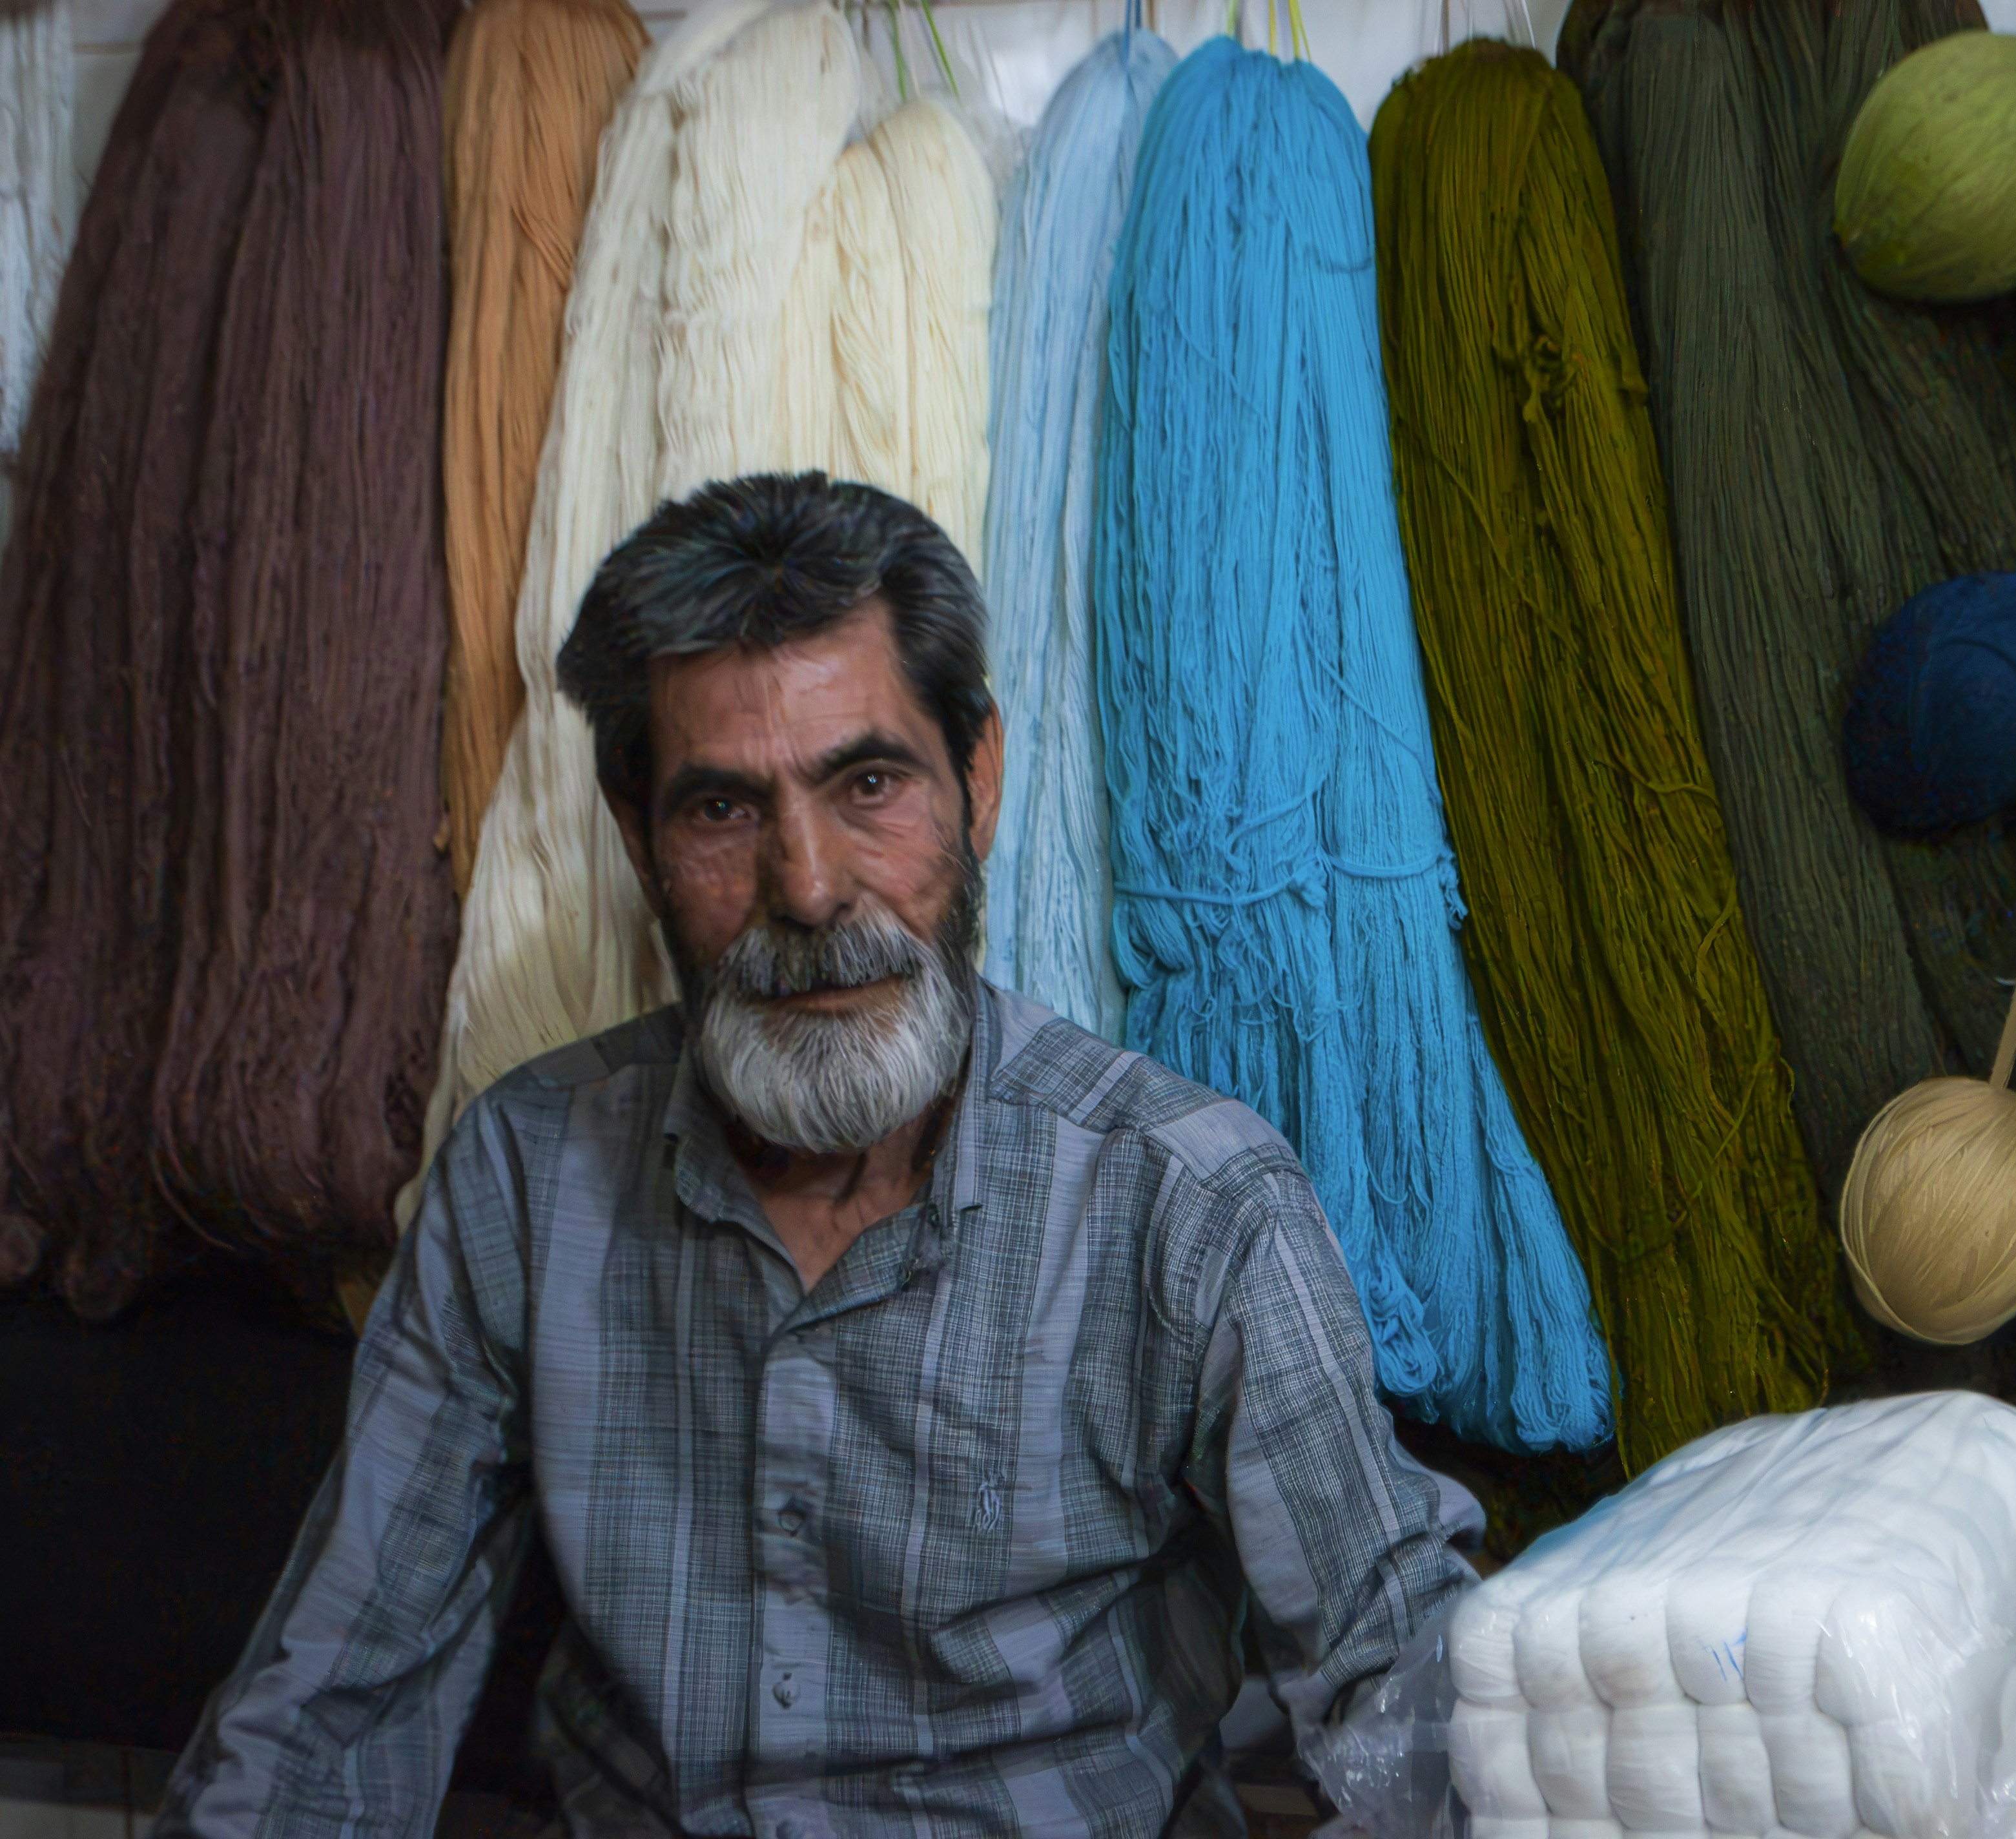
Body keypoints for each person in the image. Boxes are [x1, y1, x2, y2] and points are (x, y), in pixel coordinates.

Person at [154, 474, 1483, 1839]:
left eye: (867, 784)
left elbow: (1409, 1695)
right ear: (636, 831)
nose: (804, 886)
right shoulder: (526, 1175)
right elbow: (334, 1698)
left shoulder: (1188, 1201)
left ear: (979, 777)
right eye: (722, 810)